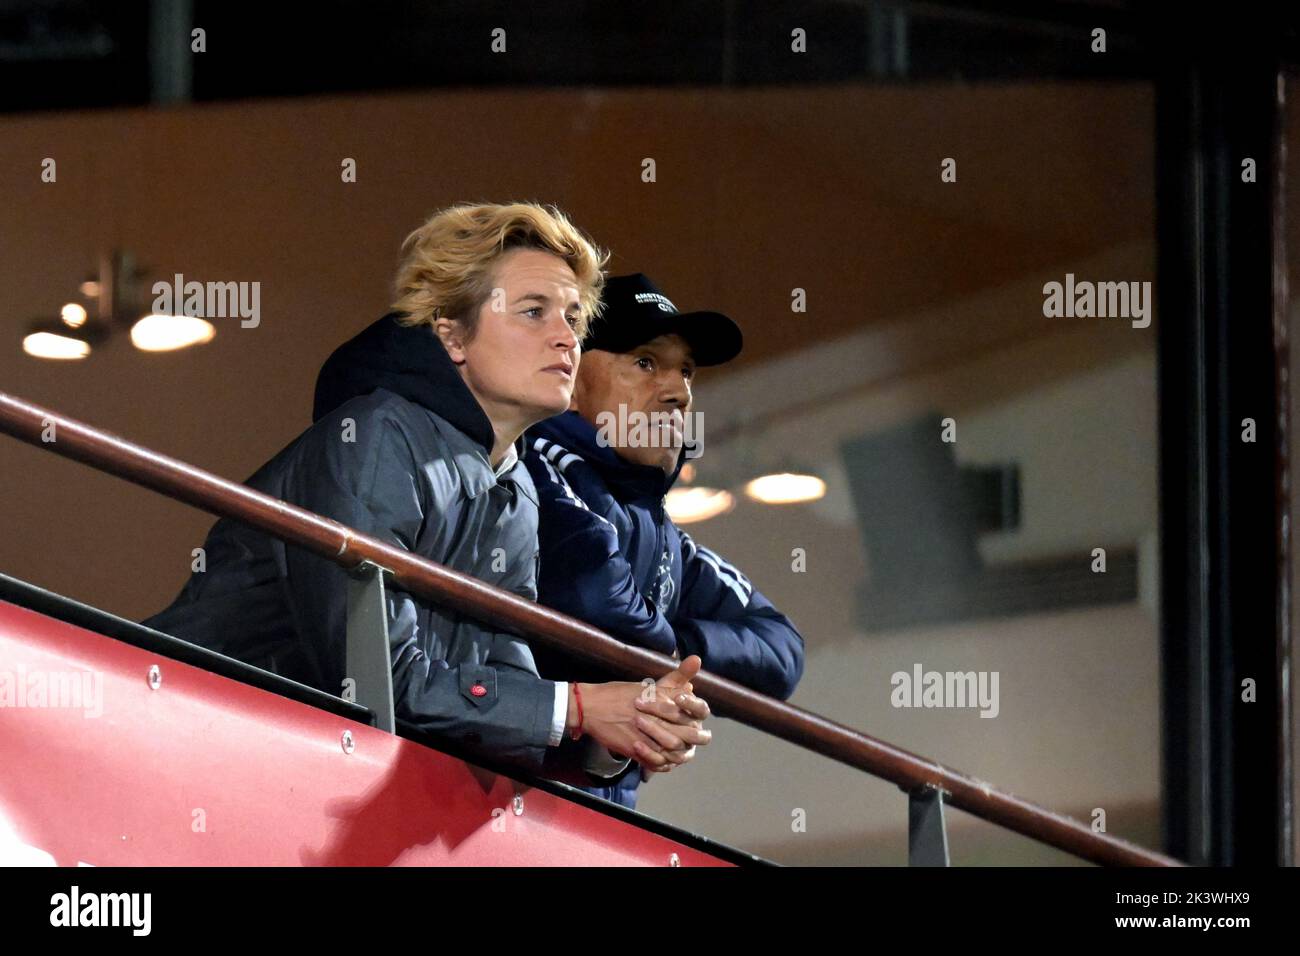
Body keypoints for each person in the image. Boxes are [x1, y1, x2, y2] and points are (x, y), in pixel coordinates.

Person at [142, 206, 711, 784]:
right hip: (172, 742)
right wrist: (580, 709)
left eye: (571, 317)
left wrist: (613, 735)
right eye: (533, 312)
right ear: (452, 336)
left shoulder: (517, 486)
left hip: (285, 772)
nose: (566, 338)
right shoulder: (373, 437)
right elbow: (376, 681)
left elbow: (500, 700)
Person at [524, 273, 804, 808]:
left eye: (687, 371)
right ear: (573, 368)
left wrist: (680, 654)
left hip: (591, 820)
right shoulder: (533, 463)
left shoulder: (662, 533)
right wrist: (672, 666)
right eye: (646, 362)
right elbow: (595, 603)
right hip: (485, 800)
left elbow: (781, 649)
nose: (677, 391)